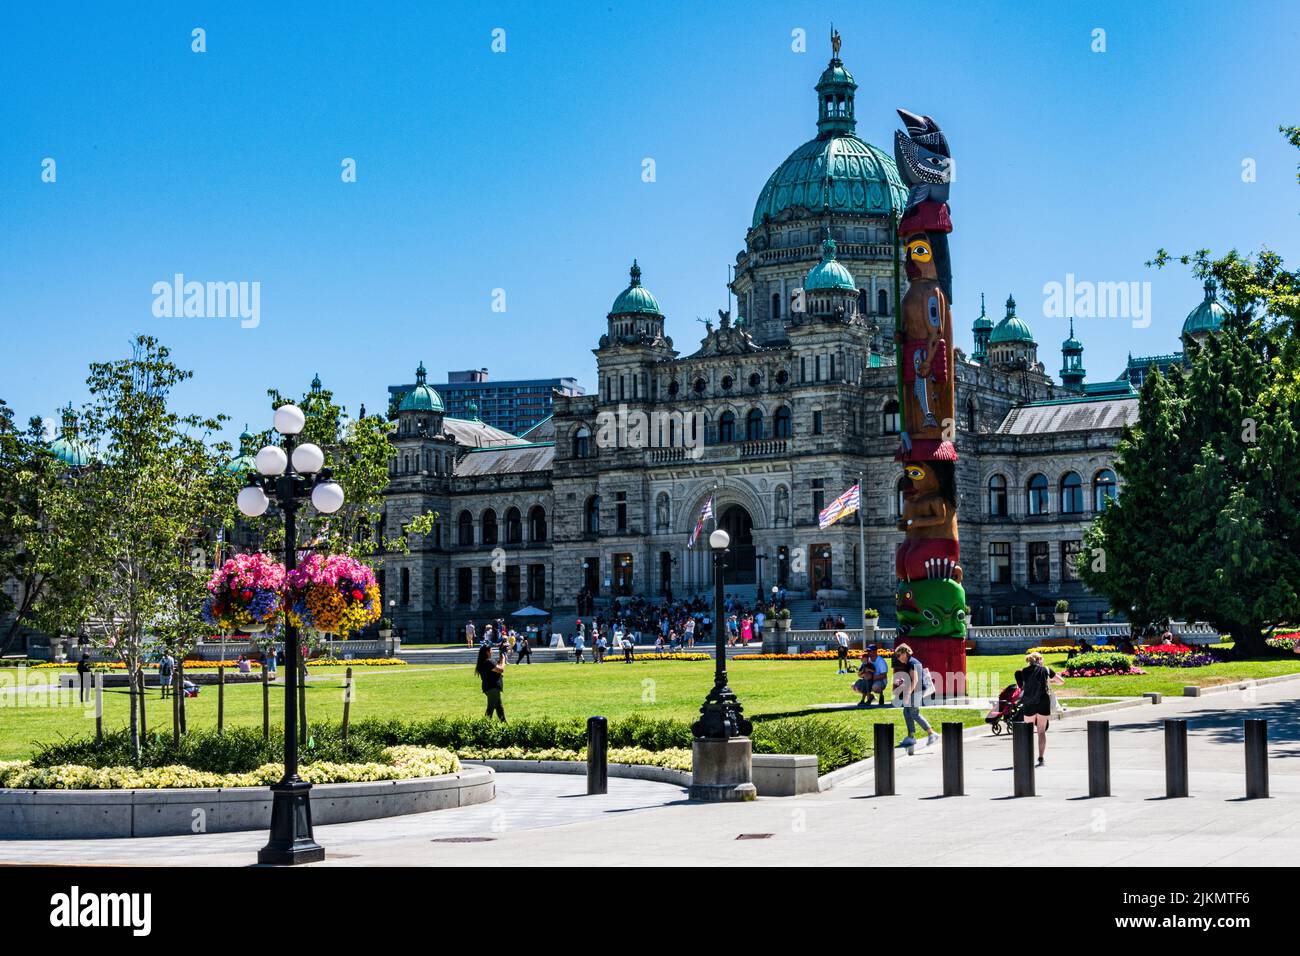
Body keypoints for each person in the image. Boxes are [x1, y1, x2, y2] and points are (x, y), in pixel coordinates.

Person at [1015, 651, 1065, 765]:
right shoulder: (1046, 670)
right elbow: (1061, 682)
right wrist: (1050, 680)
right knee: (1041, 731)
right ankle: (1041, 757)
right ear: (1039, 660)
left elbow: (1021, 687)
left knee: (1028, 731)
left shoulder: (1023, 672)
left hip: (1029, 704)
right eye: (1042, 659)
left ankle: (1026, 757)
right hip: (1043, 702)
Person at [893, 643, 936, 749]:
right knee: (907, 712)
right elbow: (911, 678)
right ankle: (911, 736)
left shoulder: (911, 662)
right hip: (915, 690)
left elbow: (915, 680)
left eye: (899, 655)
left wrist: (907, 694)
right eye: (897, 656)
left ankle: (931, 733)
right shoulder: (911, 662)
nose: (898, 658)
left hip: (917, 691)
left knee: (914, 713)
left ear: (905, 653)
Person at [475, 643, 506, 721]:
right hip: (493, 688)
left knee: (499, 707)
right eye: (491, 650)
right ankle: (483, 726)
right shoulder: (488, 662)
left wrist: (499, 661)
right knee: (490, 709)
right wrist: (503, 660)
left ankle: (504, 724)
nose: (492, 652)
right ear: (487, 652)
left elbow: (495, 669)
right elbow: (501, 670)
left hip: (488, 687)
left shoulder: (483, 662)